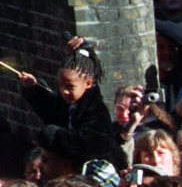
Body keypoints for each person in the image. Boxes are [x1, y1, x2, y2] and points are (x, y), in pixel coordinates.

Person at [16, 43, 128, 172]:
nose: (64, 91)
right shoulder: (71, 103)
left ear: (88, 84)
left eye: (70, 87)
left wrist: (54, 135)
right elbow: (51, 112)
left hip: (98, 170)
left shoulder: (95, 111)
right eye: (61, 86)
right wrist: (34, 89)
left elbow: (90, 145)